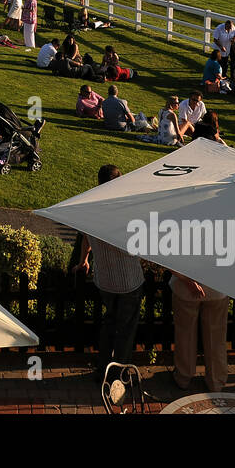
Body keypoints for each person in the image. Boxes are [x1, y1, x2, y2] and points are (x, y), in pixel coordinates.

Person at [75, 164, 146, 383]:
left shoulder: (89, 210)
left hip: (104, 280)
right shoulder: (128, 212)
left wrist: (83, 261)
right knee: (125, 330)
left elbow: (85, 237)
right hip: (129, 282)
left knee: (109, 325)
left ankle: (102, 368)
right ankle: (119, 375)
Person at [170, 271, 229, 393]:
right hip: (217, 287)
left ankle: (183, 377)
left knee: (185, 335)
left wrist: (189, 282)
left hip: (184, 287)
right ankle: (216, 381)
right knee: (216, 337)